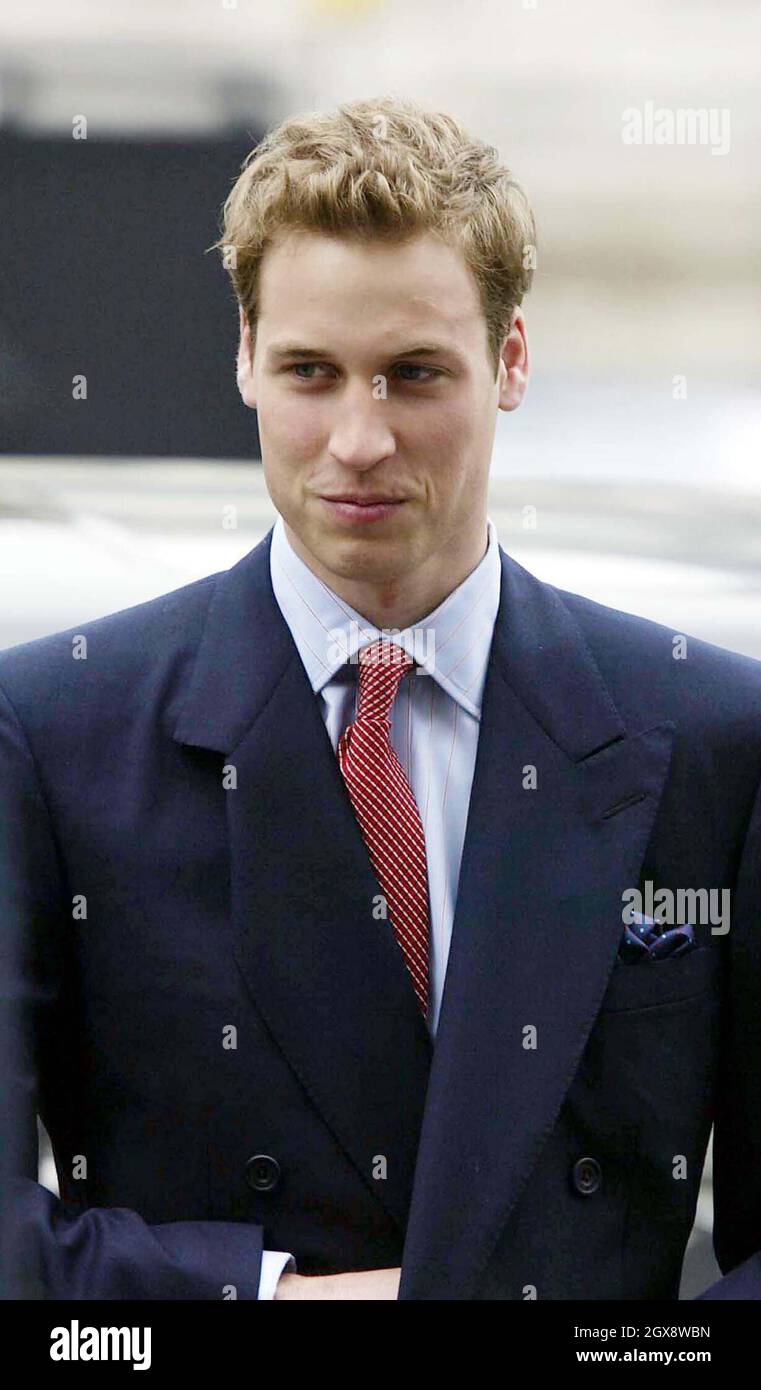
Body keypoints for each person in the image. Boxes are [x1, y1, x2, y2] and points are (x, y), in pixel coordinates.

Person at [1, 95, 760, 1301]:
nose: (358, 440)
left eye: (413, 375)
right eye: (310, 371)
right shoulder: (51, 733)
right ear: (243, 355)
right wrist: (274, 1299)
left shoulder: (715, 735)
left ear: (509, 363)